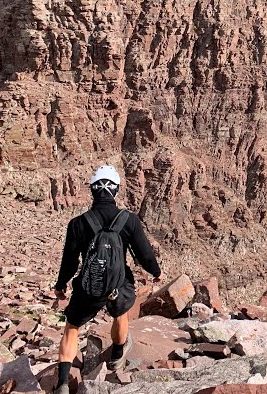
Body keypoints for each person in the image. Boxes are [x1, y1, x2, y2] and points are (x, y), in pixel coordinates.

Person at [51, 165, 161, 394]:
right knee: (120, 315)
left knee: (72, 328)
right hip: (118, 284)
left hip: (88, 285)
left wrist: (61, 286)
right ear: (116, 191)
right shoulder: (128, 220)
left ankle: (62, 383)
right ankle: (117, 356)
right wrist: (156, 273)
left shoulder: (77, 223)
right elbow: (144, 254)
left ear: (93, 190)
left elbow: (69, 262)